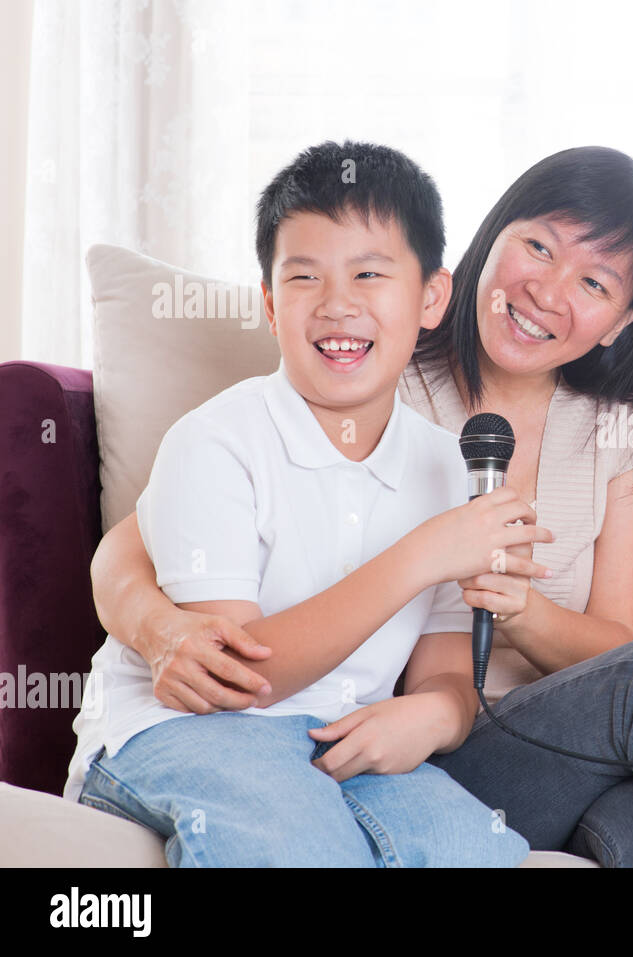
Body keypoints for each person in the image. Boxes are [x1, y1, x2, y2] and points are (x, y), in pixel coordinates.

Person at [86, 145, 633, 867]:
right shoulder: (371, 366)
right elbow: (141, 540)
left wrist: (518, 615)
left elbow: (624, 653)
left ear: (625, 318)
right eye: (538, 247)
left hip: (528, 739)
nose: (547, 289)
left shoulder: (614, 430)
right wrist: (158, 628)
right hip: (429, 742)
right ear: (490, 237)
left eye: (594, 283)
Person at [66, 141, 540, 866]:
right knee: (298, 848)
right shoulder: (214, 442)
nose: (338, 304)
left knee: (471, 848)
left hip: (337, 735)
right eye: (304, 277)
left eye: (371, 274)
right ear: (269, 303)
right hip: (188, 728)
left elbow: (446, 667)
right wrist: (423, 555)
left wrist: (434, 713)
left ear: (431, 298)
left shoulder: (448, 467)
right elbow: (240, 678)